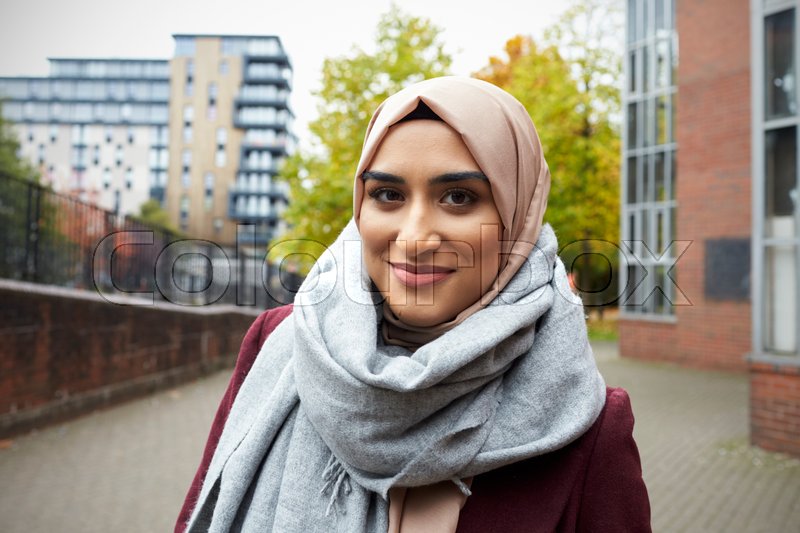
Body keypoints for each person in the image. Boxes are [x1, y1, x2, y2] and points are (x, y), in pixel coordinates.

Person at [176, 77, 651, 532]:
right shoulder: (279, 344)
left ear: (517, 216)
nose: (416, 237)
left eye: (459, 197)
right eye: (388, 194)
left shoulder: (588, 428)